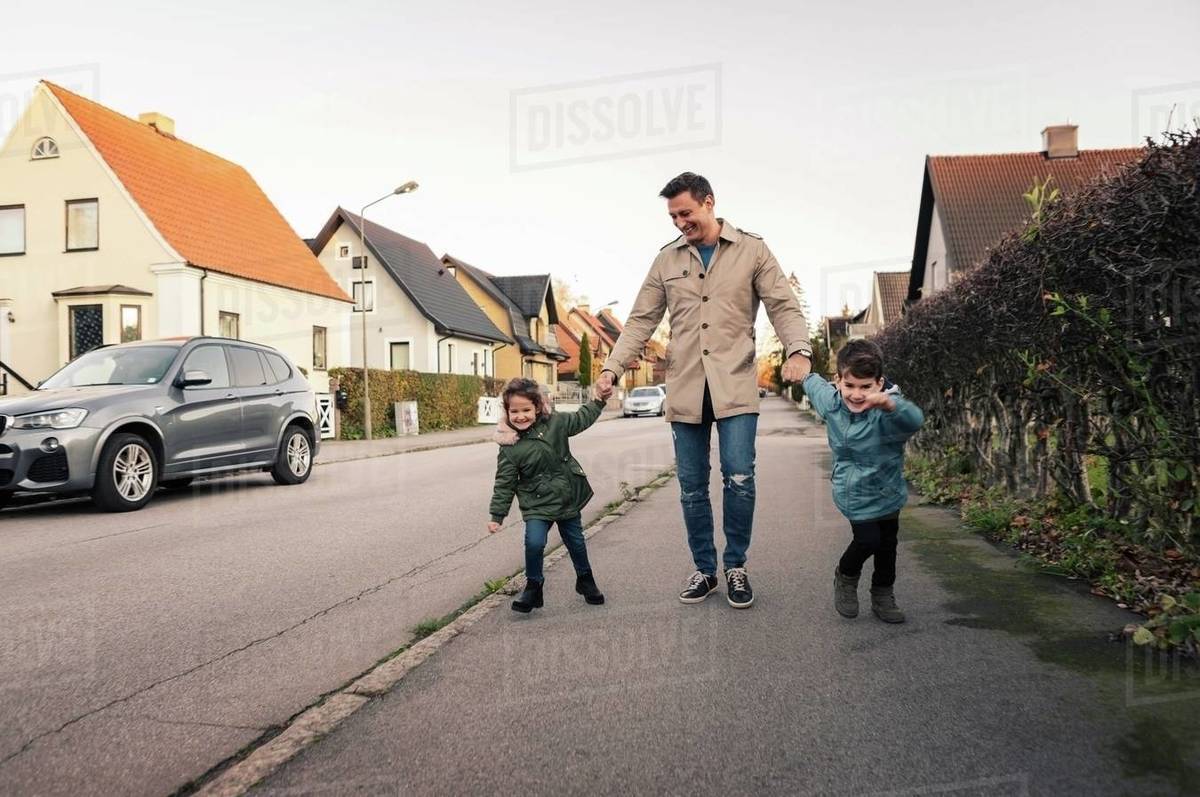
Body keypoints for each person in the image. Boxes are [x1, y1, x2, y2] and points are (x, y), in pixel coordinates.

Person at [596, 172, 812, 608]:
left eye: (686, 213)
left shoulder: (752, 250)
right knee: (692, 486)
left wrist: (799, 350)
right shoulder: (666, 260)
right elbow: (640, 321)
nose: (680, 223)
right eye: (673, 217)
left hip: (736, 384)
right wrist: (611, 368)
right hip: (686, 387)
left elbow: (783, 306)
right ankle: (705, 570)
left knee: (739, 478)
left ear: (709, 202)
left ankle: (735, 566)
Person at [801, 339, 925, 623]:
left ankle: (883, 595)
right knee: (868, 539)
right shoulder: (832, 403)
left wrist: (890, 405)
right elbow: (815, 386)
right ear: (838, 381)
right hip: (853, 491)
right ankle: (846, 574)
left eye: (865, 386)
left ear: (879, 383)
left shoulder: (887, 409)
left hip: (888, 489)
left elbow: (914, 420)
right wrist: (802, 371)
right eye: (850, 386)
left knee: (887, 546)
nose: (857, 394)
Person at [487, 377, 612, 613]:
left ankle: (585, 580)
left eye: (526, 410)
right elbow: (504, 483)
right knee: (534, 543)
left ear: (537, 407)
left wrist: (598, 400)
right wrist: (497, 515)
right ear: (507, 412)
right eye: (514, 411)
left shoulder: (556, 423)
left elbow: (581, 418)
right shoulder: (510, 446)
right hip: (536, 503)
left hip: (565, 496)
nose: (520, 416)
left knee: (576, 542)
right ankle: (533, 587)